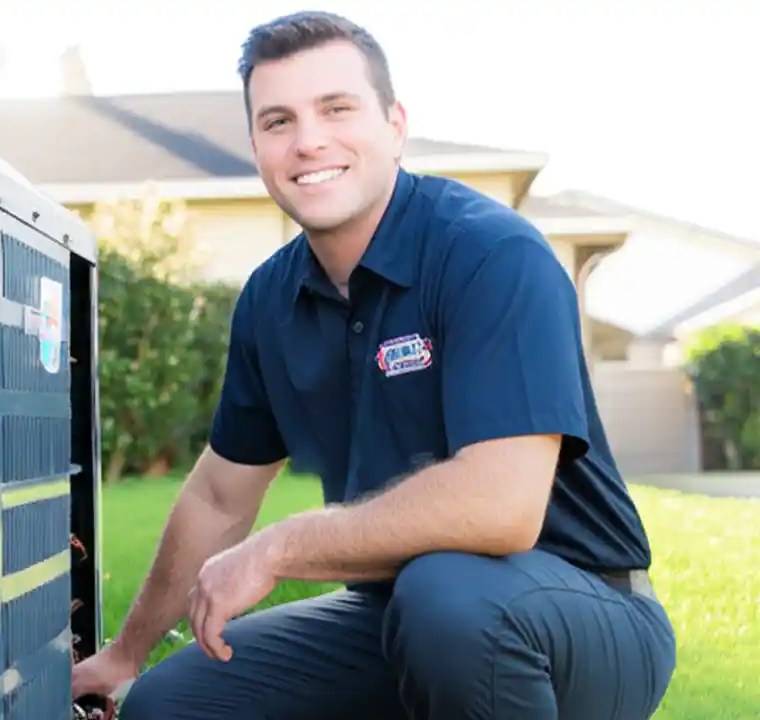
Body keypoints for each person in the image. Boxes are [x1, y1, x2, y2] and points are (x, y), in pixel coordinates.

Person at [70, 10, 678, 720]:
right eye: (278, 122)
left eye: (337, 108)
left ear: (395, 124)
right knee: (171, 705)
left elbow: (502, 507)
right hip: (395, 615)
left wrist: (279, 548)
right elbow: (218, 497)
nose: (309, 141)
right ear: (258, 148)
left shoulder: (489, 255)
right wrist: (126, 654)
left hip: (581, 612)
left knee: (447, 602)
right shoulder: (271, 300)